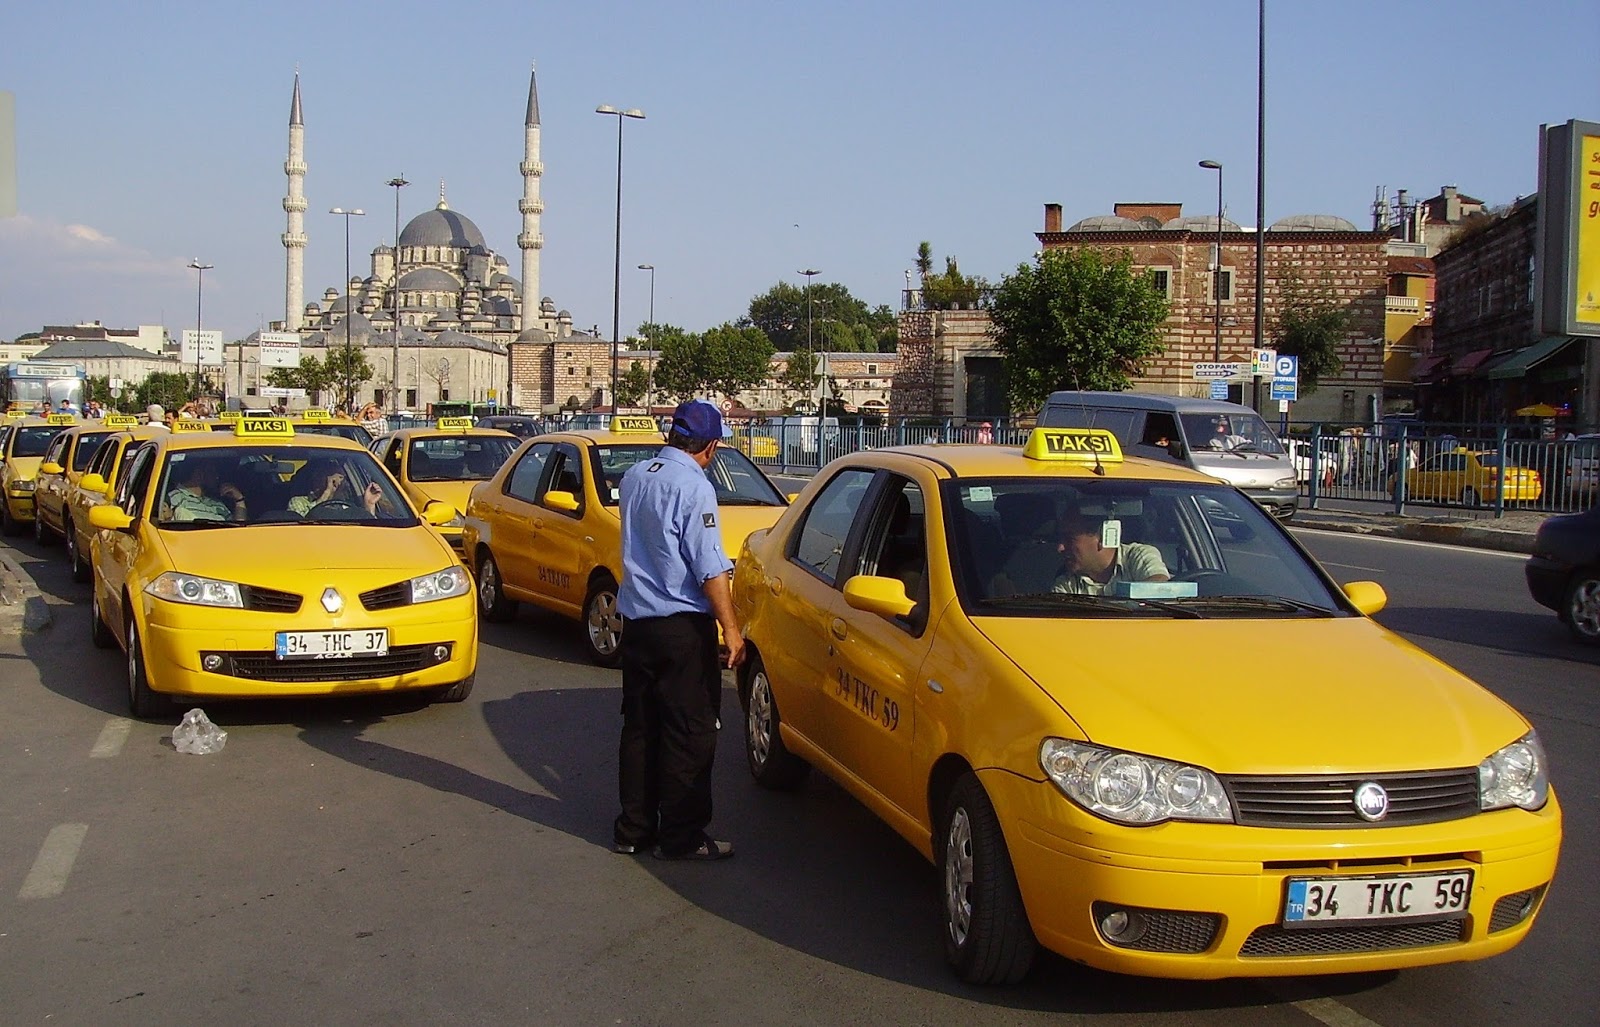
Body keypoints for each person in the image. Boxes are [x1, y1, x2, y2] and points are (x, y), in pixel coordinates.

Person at [613, 399, 744, 862]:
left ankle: (634, 830)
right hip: (681, 627)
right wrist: (731, 629)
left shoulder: (635, 477)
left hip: (637, 623)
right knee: (690, 731)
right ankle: (682, 837)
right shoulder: (695, 487)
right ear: (710, 447)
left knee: (641, 728)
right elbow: (709, 566)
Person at [1052, 513, 1170, 595]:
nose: (1060, 548)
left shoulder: (1137, 556)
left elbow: (1160, 585)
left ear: (1103, 538)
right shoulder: (1067, 583)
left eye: (1070, 539)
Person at [164, 459, 247, 522]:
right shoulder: (174, 498)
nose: (217, 477)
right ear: (199, 473)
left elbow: (238, 528)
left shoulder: (218, 505)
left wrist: (239, 500)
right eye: (212, 472)